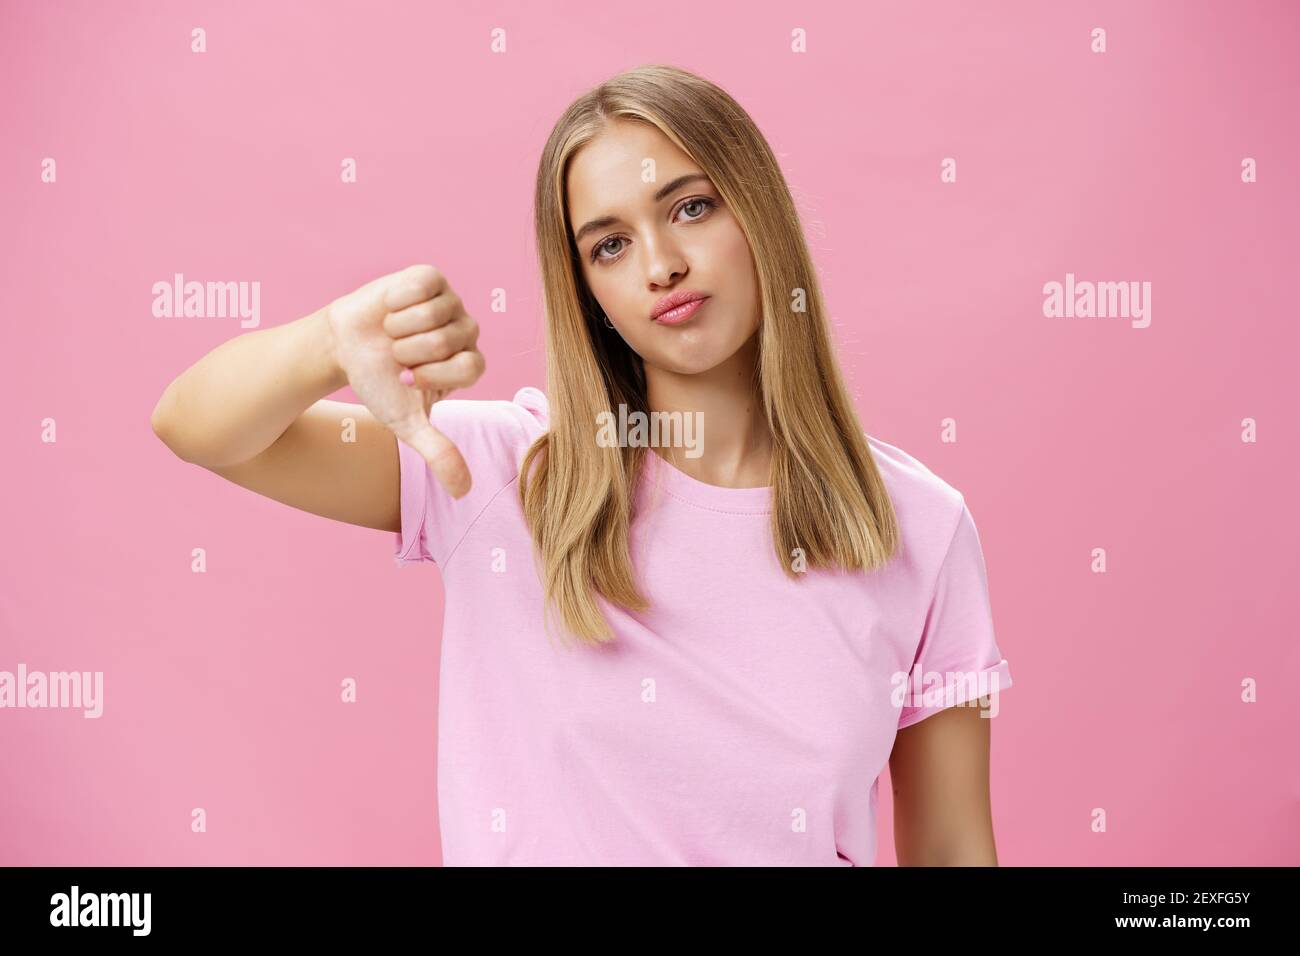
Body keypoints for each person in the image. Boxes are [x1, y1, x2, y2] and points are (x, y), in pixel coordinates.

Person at [151, 64, 1012, 866]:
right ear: (587, 292)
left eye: (691, 208)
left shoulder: (922, 528)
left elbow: (953, 850)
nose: (660, 265)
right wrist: (332, 339)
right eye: (608, 245)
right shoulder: (497, 475)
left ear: (760, 211)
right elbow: (196, 426)